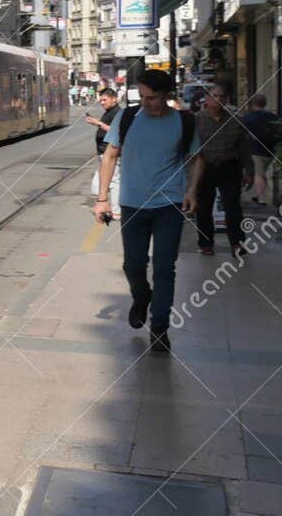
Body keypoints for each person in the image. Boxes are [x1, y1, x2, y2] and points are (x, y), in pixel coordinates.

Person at [95, 69, 199, 353]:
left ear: (166, 96)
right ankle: (141, 298)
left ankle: (159, 327)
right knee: (133, 266)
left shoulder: (184, 121)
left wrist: (191, 191)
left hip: (169, 206)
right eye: (141, 96)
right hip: (132, 205)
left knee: (165, 268)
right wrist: (102, 198)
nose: (145, 102)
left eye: (151, 98)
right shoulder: (128, 118)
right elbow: (110, 155)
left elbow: (196, 158)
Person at [191, 80, 251, 257]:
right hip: (205, 168)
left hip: (229, 167)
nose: (218, 100)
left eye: (221, 97)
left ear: (226, 100)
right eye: (214, 96)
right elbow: (190, 150)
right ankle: (205, 243)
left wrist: (249, 170)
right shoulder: (197, 120)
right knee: (203, 208)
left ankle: (237, 244)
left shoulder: (236, 121)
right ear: (207, 100)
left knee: (233, 207)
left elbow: (244, 148)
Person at [85, 87, 121, 207]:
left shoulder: (117, 112)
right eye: (100, 100)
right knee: (102, 182)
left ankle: (115, 209)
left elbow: (116, 131)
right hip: (104, 153)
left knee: (115, 180)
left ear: (114, 99)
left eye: (104, 100)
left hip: (111, 153)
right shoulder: (109, 111)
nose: (102, 102)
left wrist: (98, 123)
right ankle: (108, 204)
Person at [243, 94, 277, 206]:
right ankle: (259, 195)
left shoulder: (247, 117)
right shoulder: (273, 116)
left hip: (255, 149)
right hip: (270, 149)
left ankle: (261, 198)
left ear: (252, 104)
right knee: (262, 174)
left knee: (259, 174)